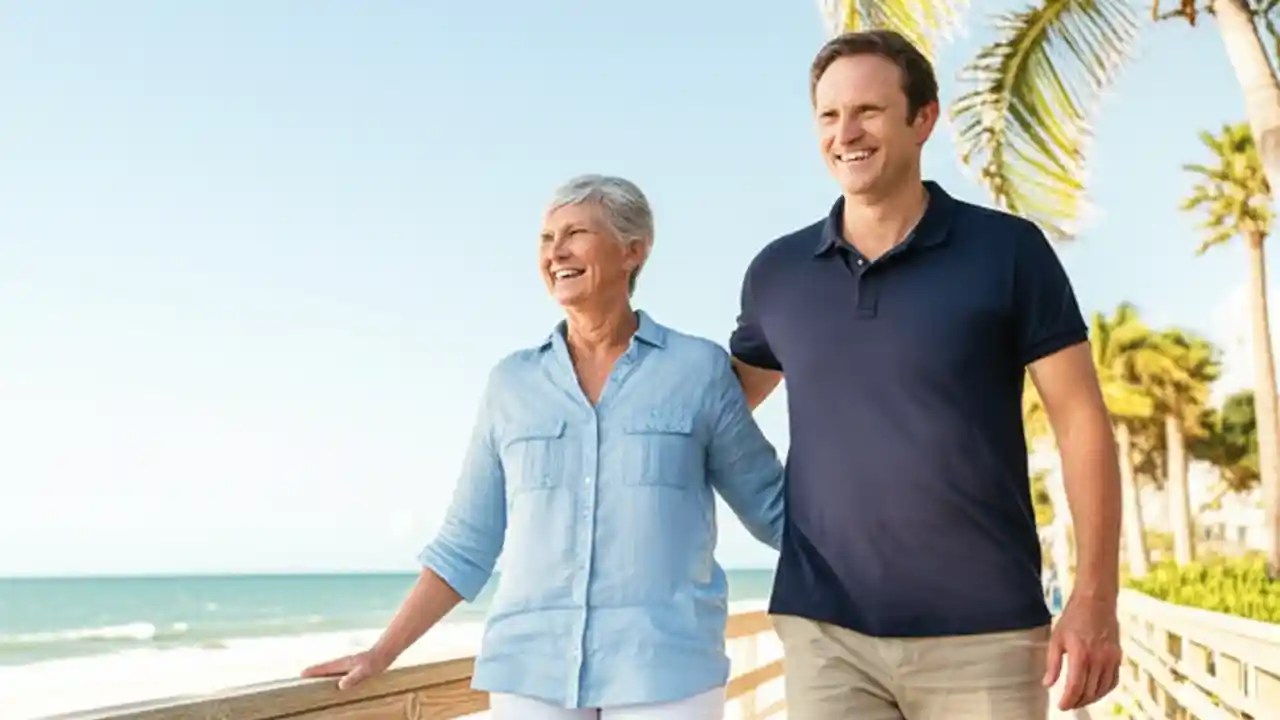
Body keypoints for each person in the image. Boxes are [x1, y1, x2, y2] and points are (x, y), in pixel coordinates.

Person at [727, 30, 1124, 718]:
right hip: (826, 634)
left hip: (986, 634)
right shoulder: (778, 274)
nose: (845, 133)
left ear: (924, 119)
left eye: (869, 112)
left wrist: (1094, 597)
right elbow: (713, 414)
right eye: (828, 116)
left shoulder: (1009, 252)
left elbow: (1082, 424)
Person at [302, 174, 787, 720]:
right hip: (530, 675)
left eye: (575, 232)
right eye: (545, 238)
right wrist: (382, 651)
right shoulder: (511, 385)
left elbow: (776, 511)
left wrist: (888, 558)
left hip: (668, 672)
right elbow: (467, 543)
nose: (556, 251)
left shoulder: (697, 371)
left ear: (633, 250)